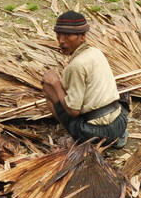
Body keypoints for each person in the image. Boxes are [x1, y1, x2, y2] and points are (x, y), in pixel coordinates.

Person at [41, 10, 128, 149]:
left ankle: (78, 140)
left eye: (68, 36)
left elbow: (73, 111)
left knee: (48, 87)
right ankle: (118, 136)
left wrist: (55, 83)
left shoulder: (76, 65)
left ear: (82, 36)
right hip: (121, 121)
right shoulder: (96, 52)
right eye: (58, 35)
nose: (61, 41)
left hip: (97, 133)